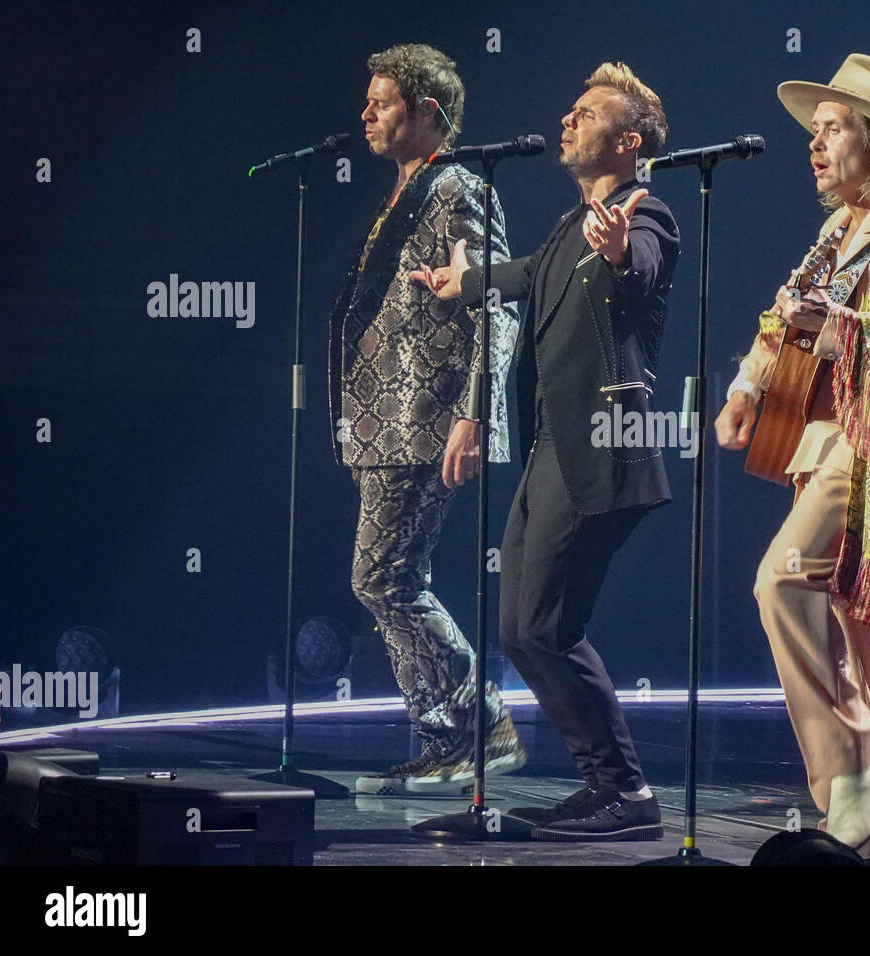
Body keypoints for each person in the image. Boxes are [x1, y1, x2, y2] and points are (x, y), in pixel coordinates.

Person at [714, 54, 870, 862]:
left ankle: (842, 779)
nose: (814, 147)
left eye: (832, 130)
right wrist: (749, 388)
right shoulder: (836, 232)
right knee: (851, 648)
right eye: (815, 133)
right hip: (816, 446)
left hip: (869, 448)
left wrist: (839, 332)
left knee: (783, 580)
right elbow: (781, 316)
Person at [420, 62, 679, 840]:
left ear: (627, 141)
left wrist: (619, 251)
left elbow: (642, 265)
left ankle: (625, 793)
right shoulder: (571, 225)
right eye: (568, 109)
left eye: (586, 113)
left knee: (547, 627)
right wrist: (460, 283)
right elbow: (526, 274)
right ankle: (605, 786)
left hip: (603, 449)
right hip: (551, 451)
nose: (567, 121)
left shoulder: (647, 212)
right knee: (519, 631)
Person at [326, 43, 524, 795]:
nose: (365, 114)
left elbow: (493, 304)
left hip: (428, 416)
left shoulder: (457, 189)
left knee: (381, 577)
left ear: (427, 113)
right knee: (387, 578)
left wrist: (476, 411)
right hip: (384, 419)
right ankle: (449, 735)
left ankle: (480, 721)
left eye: (381, 103)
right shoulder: (402, 194)